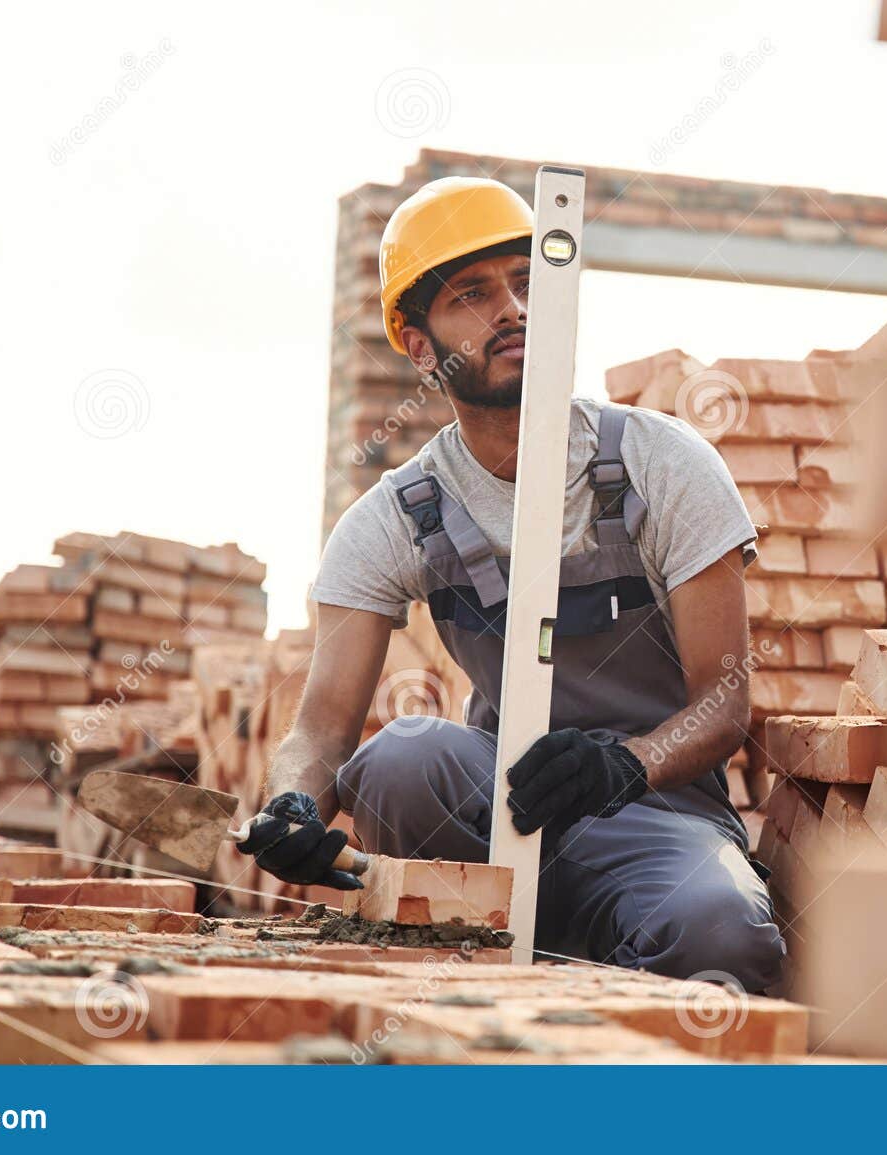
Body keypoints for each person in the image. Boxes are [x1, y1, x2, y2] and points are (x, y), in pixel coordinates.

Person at [238, 176, 784, 991]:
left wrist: (623, 766)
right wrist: (292, 803)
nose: (513, 309)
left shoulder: (662, 465)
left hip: (655, 813)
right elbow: (319, 732)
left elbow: (724, 706)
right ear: (420, 346)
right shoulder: (397, 516)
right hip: (498, 803)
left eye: (529, 284)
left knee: (722, 929)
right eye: (474, 294)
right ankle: (448, 991)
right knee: (401, 759)